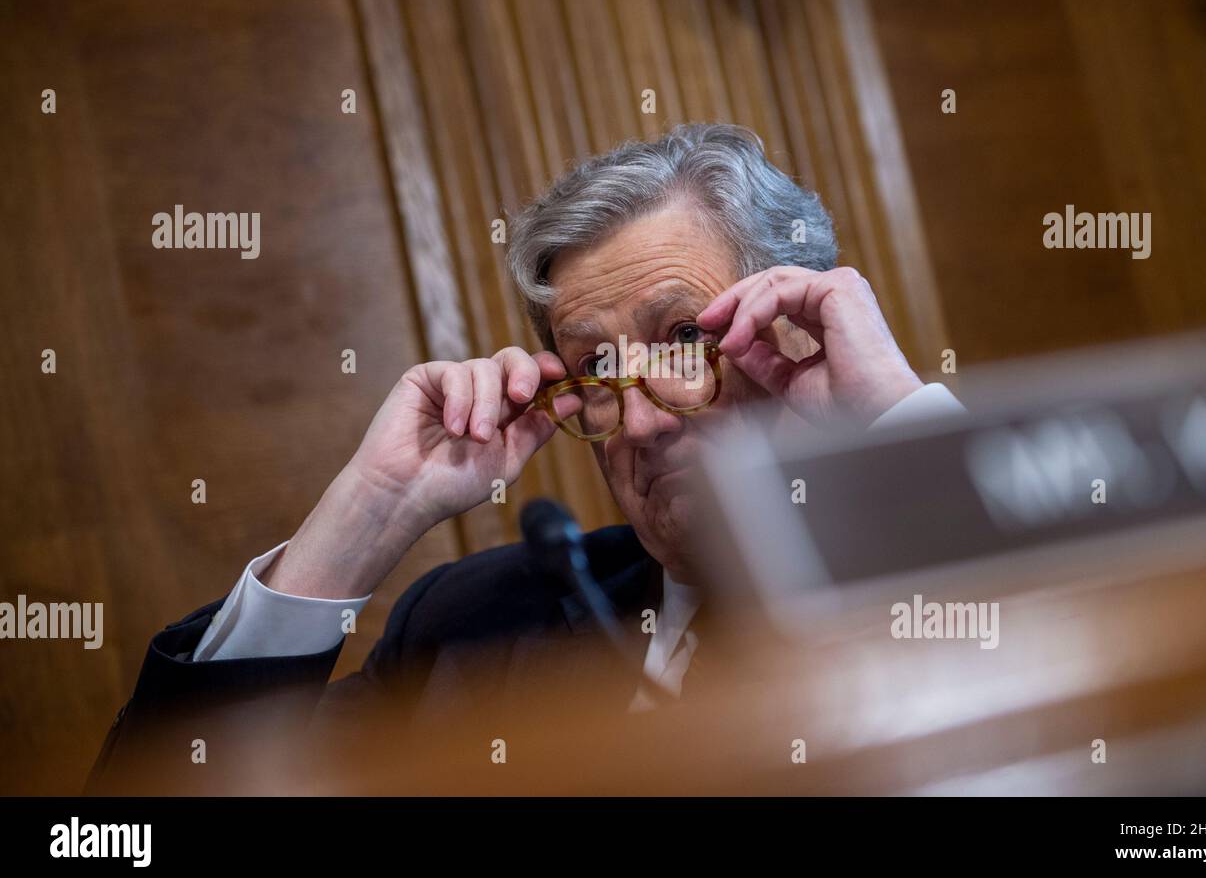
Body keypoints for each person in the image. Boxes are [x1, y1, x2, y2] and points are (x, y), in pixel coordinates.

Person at [87, 124, 962, 791]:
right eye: (597, 367)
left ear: (799, 334)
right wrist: (370, 508)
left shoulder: (933, 608)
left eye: (687, 338)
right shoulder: (475, 624)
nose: (643, 422)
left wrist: (898, 423)